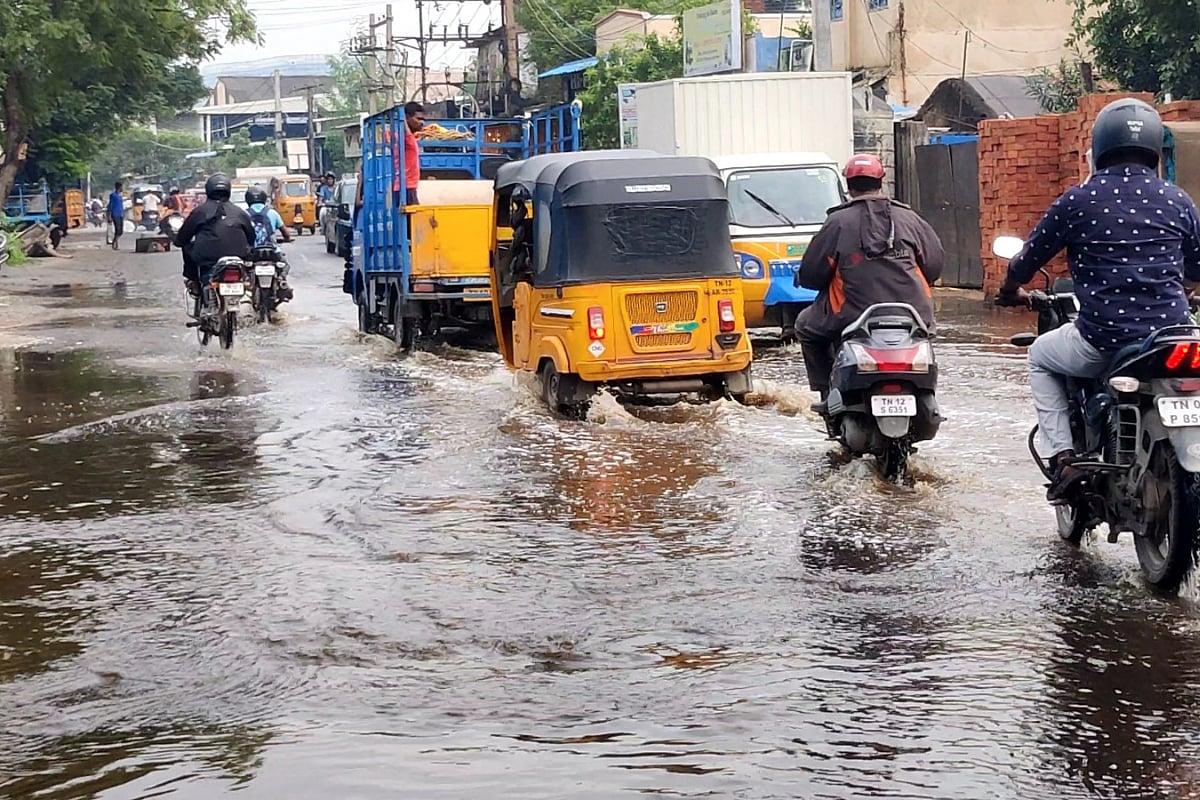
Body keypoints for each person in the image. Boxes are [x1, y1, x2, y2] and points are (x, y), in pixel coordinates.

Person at [995, 97, 1200, 500]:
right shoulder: (1178, 200)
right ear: (1154, 147)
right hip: (1174, 336)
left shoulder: (1079, 200)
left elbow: (1028, 258)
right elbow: (1197, 267)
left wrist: (1009, 290)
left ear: (1100, 146)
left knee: (1040, 356)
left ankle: (1064, 459)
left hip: (1104, 339)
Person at [794, 153, 944, 413]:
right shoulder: (910, 219)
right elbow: (934, 265)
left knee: (805, 327)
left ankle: (826, 392)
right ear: (881, 181)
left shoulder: (837, 222)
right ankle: (925, 391)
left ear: (848, 186)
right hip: (916, 316)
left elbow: (812, 276)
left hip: (848, 317)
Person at [174, 173, 255, 300]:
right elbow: (252, 238)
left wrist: (180, 242)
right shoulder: (239, 212)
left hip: (209, 261)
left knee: (187, 246)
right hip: (239, 259)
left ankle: (194, 281)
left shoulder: (200, 212)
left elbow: (182, 239)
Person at [246, 186, 294, 301]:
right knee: (285, 265)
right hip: (272, 253)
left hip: (252, 253)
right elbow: (286, 233)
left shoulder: (244, 214)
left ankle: (247, 284)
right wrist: (287, 239)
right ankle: (282, 282)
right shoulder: (272, 213)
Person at [394, 101, 424, 207]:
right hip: (407, 188)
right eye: (418, 119)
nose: (422, 123)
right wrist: (402, 114)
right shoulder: (406, 137)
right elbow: (404, 126)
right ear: (407, 118)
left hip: (405, 187)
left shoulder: (405, 137)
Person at [108, 182, 125, 250]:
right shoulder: (113, 195)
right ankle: (115, 244)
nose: (122, 188)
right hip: (115, 214)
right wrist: (109, 215)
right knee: (117, 230)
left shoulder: (119, 196)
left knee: (121, 231)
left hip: (120, 214)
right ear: (119, 187)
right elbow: (110, 206)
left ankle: (114, 242)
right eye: (122, 187)